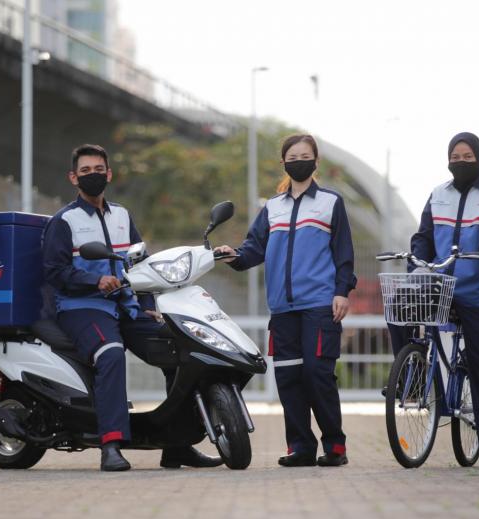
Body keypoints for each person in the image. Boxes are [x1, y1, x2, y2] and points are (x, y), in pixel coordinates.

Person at [42, 143, 222, 471]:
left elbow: (140, 264)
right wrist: (94, 282)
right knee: (110, 354)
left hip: (126, 306)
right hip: (83, 308)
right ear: (73, 177)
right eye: (85, 171)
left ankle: (177, 445)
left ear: (109, 174)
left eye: (99, 170)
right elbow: (54, 272)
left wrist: (148, 304)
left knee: (180, 348)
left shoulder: (123, 216)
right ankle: (111, 444)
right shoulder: (63, 221)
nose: (93, 175)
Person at [216, 134, 356, 468]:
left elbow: (344, 253)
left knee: (317, 375)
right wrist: (234, 255)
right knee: (289, 379)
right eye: (293, 157)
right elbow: (254, 248)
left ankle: (335, 446)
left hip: (320, 305)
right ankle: (300, 447)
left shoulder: (330, 202)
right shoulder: (273, 208)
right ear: (284, 163)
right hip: (282, 309)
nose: (299, 161)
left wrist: (342, 291)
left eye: (305, 156)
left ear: (315, 162)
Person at [387, 131, 479, 470]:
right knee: (398, 307)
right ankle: (410, 379)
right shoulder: (438, 194)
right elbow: (424, 236)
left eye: (467, 157)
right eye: (455, 157)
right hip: (440, 284)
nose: (460, 162)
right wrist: (417, 260)